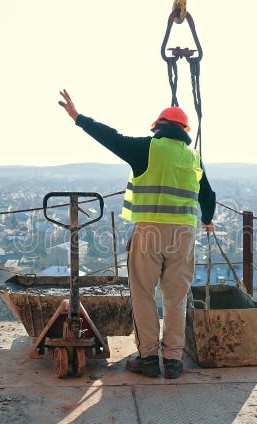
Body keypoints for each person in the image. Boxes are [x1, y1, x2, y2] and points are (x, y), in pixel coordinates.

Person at [58, 89, 215, 379]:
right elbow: (208, 195)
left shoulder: (148, 148)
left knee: (143, 294)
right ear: (184, 131)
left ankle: (147, 358)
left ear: (157, 127)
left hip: (150, 231)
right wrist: (207, 220)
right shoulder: (193, 157)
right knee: (176, 298)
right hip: (184, 234)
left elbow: (111, 137)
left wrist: (79, 118)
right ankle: (172, 361)